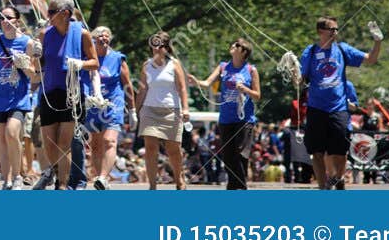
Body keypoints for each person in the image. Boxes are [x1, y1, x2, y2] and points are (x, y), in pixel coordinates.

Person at [299, 15, 382, 190]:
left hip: (338, 108)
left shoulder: (342, 49)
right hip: (316, 108)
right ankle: (323, 188)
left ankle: (338, 177)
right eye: (332, 29)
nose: (335, 32)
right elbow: (301, 80)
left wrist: (377, 42)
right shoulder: (311, 51)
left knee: (340, 151)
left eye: (337, 29)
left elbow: (371, 59)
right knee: (317, 152)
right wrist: (293, 73)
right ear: (321, 31)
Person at [33, 0, 97, 191]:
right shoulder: (45, 34)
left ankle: (62, 185)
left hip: (72, 93)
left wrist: (80, 64)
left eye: (52, 12)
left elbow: (94, 62)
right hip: (49, 91)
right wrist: (34, 55)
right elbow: (38, 66)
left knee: (64, 143)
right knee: (49, 143)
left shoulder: (82, 34)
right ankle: (54, 171)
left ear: (66, 13)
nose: (48, 15)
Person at [0, 5, 38, 190]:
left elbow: (35, 75)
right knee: (2, 139)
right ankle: (6, 180)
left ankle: (18, 176)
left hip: (18, 98)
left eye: (8, 17)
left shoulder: (27, 43)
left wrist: (24, 64)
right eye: (2, 17)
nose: (4, 21)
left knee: (12, 133)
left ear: (17, 20)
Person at [201, 39, 260, 190]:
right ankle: (234, 185)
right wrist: (195, 81)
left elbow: (257, 96)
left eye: (237, 45)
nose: (232, 46)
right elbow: (207, 83)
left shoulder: (251, 70)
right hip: (226, 118)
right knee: (228, 155)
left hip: (244, 118)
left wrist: (245, 90)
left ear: (244, 52)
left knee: (240, 153)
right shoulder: (223, 67)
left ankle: (238, 186)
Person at [136, 30, 190, 189]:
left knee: (173, 150)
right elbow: (143, 89)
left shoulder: (174, 64)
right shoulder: (147, 65)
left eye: (160, 46)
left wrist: (185, 109)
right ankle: (152, 185)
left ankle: (179, 179)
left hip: (171, 110)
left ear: (167, 47)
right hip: (149, 110)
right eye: (154, 46)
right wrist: (135, 111)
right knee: (150, 149)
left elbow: (182, 88)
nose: (157, 49)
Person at [85, 26, 132, 191]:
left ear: (110, 39)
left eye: (106, 36)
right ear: (93, 39)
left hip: (113, 104)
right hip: (93, 106)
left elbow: (128, 85)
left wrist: (132, 111)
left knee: (109, 141)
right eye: (99, 36)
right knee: (96, 145)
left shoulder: (118, 59)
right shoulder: (89, 58)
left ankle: (104, 177)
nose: (103, 38)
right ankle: (101, 180)